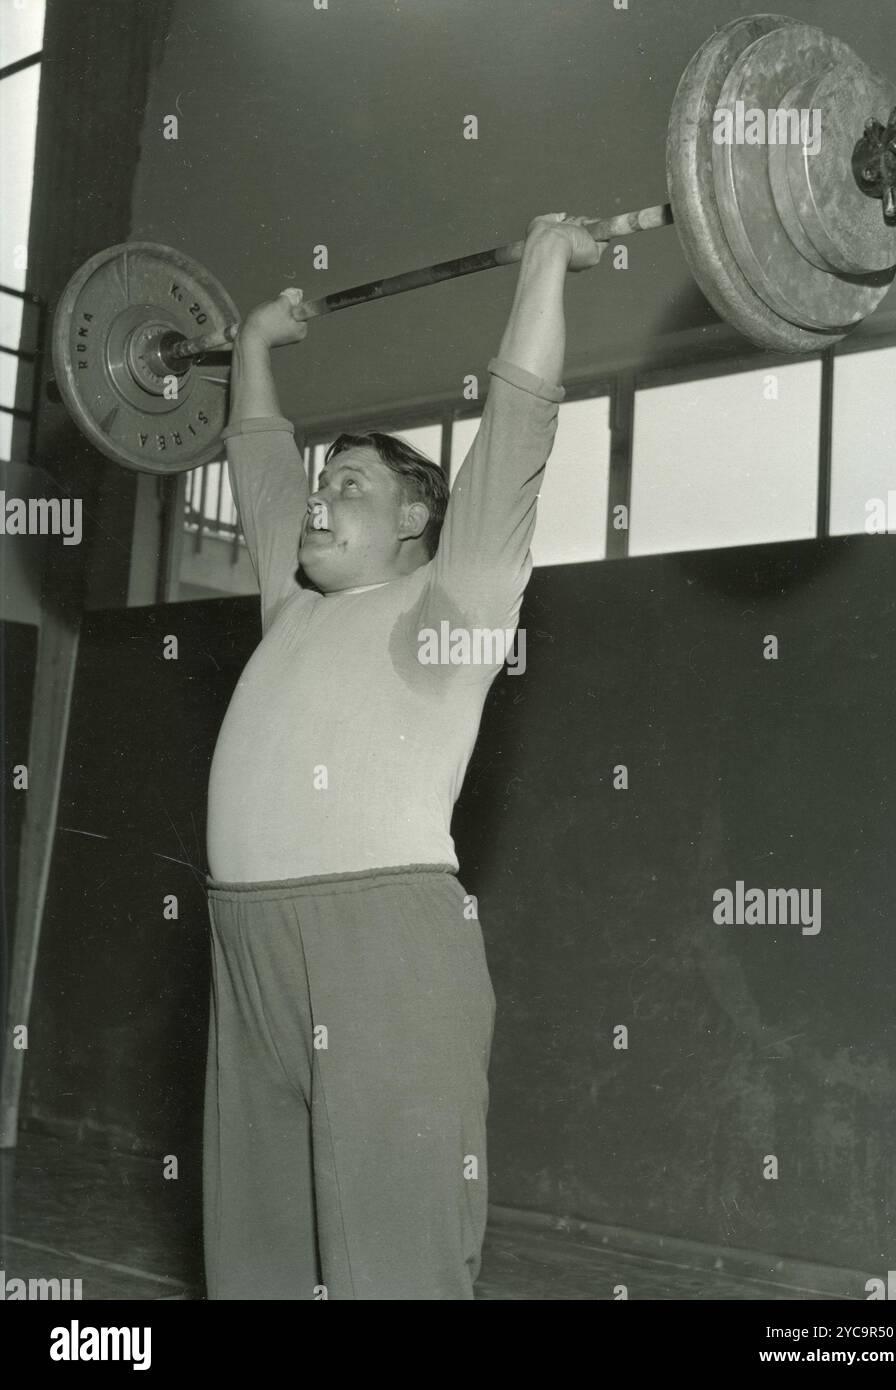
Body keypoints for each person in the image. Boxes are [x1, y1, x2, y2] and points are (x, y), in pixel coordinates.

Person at [201, 213, 604, 1300]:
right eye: (321, 483)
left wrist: (542, 267)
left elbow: (514, 430)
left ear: (418, 515)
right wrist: (250, 345)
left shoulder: (449, 602)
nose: (317, 499)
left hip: (382, 952)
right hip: (248, 952)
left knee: (394, 1273)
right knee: (255, 1265)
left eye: (351, 487)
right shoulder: (290, 605)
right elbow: (258, 467)